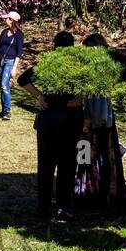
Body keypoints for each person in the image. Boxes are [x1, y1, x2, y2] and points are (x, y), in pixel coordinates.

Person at [35, 72, 84, 220]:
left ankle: (45, 207)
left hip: (53, 121)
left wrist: (38, 96)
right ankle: (61, 206)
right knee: (66, 167)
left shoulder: (48, 65)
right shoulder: (78, 67)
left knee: (48, 167)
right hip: (67, 121)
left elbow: (23, 79)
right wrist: (81, 98)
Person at [76, 87, 126, 211]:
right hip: (93, 123)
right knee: (86, 158)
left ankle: (98, 195)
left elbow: (99, 107)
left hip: (97, 125)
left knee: (98, 159)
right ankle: (86, 192)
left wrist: (89, 120)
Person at [0, 11, 23, 120]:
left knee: (4, 85)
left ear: (12, 20)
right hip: (0, 61)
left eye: (7, 18)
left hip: (10, 62)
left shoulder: (19, 35)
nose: (5, 20)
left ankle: (7, 111)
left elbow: (19, 52)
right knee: (2, 87)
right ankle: (3, 111)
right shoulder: (4, 32)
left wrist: (14, 68)